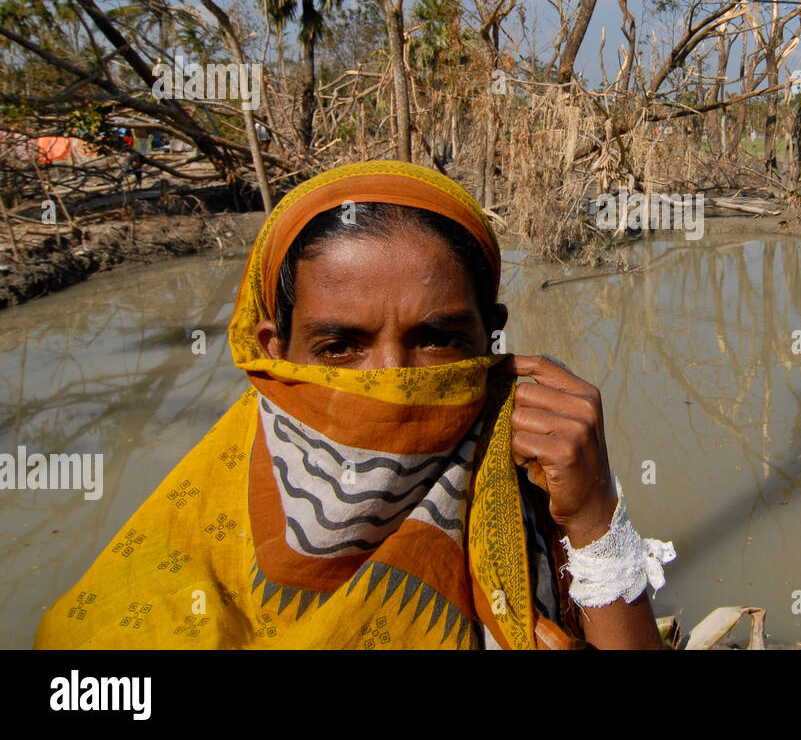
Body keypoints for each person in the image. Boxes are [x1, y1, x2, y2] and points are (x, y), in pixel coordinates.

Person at [35, 160, 672, 649]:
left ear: (490, 336)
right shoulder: (185, 548)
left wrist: (593, 517)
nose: (393, 382)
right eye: (340, 346)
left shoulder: (535, 469)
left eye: (437, 339)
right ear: (275, 351)